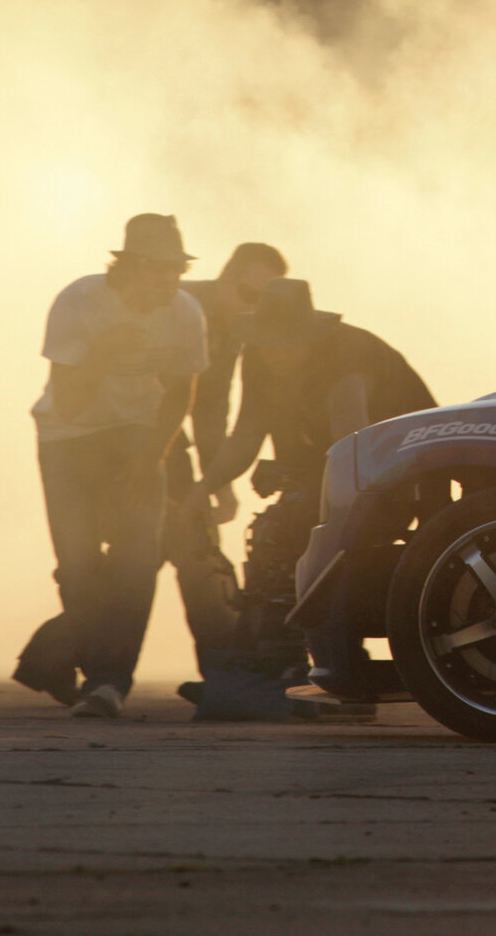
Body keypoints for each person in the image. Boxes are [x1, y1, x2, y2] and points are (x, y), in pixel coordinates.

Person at [187, 278, 432, 719]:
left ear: (311, 337)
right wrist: (202, 490)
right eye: (269, 345)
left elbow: (351, 438)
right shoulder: (257, 355)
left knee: (309, 540)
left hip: (400, 477)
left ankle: (338, 675)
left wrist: (300, 483)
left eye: (288, 345)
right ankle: (270, 663)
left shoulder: (346, 354)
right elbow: (246, 435)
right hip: (341, 470)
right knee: (273, 535)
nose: (278, 355)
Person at [19, 214, 207, 720]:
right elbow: (70, 403)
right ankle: (53, 661)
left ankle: (108, 683)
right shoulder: (79, 303)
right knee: (78, 563)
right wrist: (102, 354)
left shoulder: (185, 313)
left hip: (139, 435)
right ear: (126, 268)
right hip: (68, 438)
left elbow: (182, 393)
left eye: (177, 269)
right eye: (157, 269)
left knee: (136, 560)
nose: (169, 281)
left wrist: (150, 461)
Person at [157, 243, 288, 679]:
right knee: (195, 550)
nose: (254, 309)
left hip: (167, 446)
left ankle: (53, 658)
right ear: (224, 279)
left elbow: (211, 410)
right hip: (136, 439)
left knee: (154, 552)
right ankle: (228, 672)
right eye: (248, 295)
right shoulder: (180, 304)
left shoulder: (235, 331)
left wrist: (219, 486)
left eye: (264, 302)